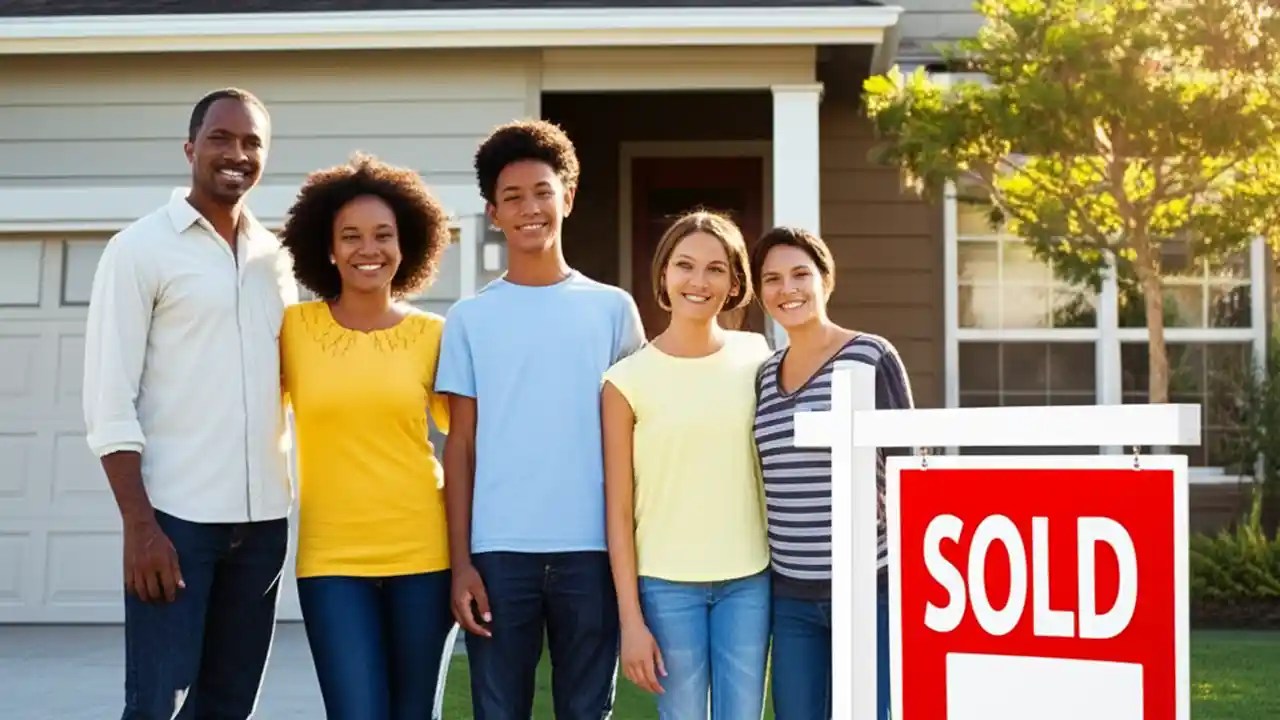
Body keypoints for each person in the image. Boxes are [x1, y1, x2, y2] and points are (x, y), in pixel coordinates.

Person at [82, 87, 295, 719]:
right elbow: (108, 400)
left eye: (252, 142)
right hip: (175, 523)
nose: (237, 153)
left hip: (263, 527)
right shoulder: (140, 249)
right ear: (190, 149)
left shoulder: (277, 258)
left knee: (229, 707)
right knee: (158, 707)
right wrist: (139, 526)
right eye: (221, 139)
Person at [435, 119, 645, 719]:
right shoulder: (470, 319)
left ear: (568, 198)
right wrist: (462, 564)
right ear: (493, 213)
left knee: (587, 711)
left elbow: (635, 442)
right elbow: (461, 446)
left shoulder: (612, 310)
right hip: (499, 554)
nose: (530, 208)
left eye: (543, 192)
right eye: (512, 197)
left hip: (593, 552)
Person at [277, 153, 457, 719]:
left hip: (424, 553)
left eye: (383, 235)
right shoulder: (293, 331)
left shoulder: (434, 335)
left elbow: (471, 439)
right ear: (327, 248)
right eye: (350, 236)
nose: (367, 249)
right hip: (332, 560)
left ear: (407, 246)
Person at [602, 210, 774, 719]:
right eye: (685, 265)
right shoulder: (624, 381)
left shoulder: (759, 358)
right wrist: (630, 621)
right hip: (665, 587)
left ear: (734, 282)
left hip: (749, 580)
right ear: (663, 275)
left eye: (716, 268)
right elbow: (617, 512)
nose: (699, 281)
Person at [750, 226, 914, 720]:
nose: (788, 289)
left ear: (826, 280)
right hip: (792, 597)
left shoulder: (869, 355)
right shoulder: (763, 373)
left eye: (801, 274)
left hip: (873, 588)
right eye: (773, 279)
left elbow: (908, 468)